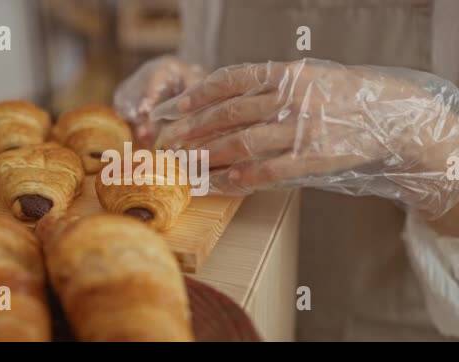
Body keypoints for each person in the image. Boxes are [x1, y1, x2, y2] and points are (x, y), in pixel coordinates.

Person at [114, 0, 459, 341]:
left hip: (392, 323)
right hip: (235, 307)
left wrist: (414, 132)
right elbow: (208, 75)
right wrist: (192, 94)